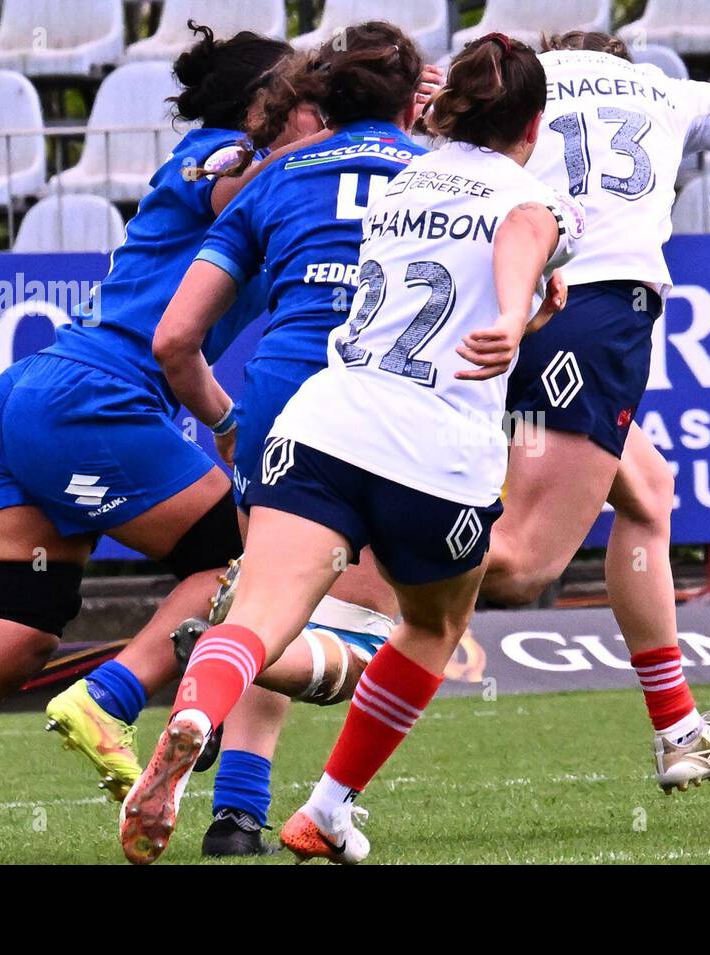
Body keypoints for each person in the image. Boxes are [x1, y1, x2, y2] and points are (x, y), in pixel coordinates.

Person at [0, 23, 325, 865]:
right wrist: (368, 136)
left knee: (9, 639)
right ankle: (112, 698)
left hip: (33, 399)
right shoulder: (220, 158)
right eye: (306, 99)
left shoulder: (261, 173)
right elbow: (237, 183)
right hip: (91, 401)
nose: (321, 114)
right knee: (246, 559)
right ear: (265, 108)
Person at [120, 31, 579, 866]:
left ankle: (196, 708)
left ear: (447, 108)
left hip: (322, 423)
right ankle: (328, 807)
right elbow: (519, 229)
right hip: (436, 456)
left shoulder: (395, 180)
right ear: (534, 126)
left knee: (256, 616)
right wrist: (518, 314)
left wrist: (520, 308)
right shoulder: (530, 192)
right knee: (431, 627)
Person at [476, 30, 710, 792]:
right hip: (592, 312)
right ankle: (327, 569)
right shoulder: (662, 91)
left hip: (498, 309)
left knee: (648, 491)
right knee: (523, 565)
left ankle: (680, 733)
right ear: (621, 61)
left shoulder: (511, 85)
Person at [150, 22, 437, 857]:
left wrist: (229, 423)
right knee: (376, 639)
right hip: (386, 403)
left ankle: (236, 815)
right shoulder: (445, 174)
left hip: (278, 401)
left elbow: (175, 341)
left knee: (267, 600)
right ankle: (233, 674)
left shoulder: (272, 178)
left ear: (319, 100)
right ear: (411, 101)